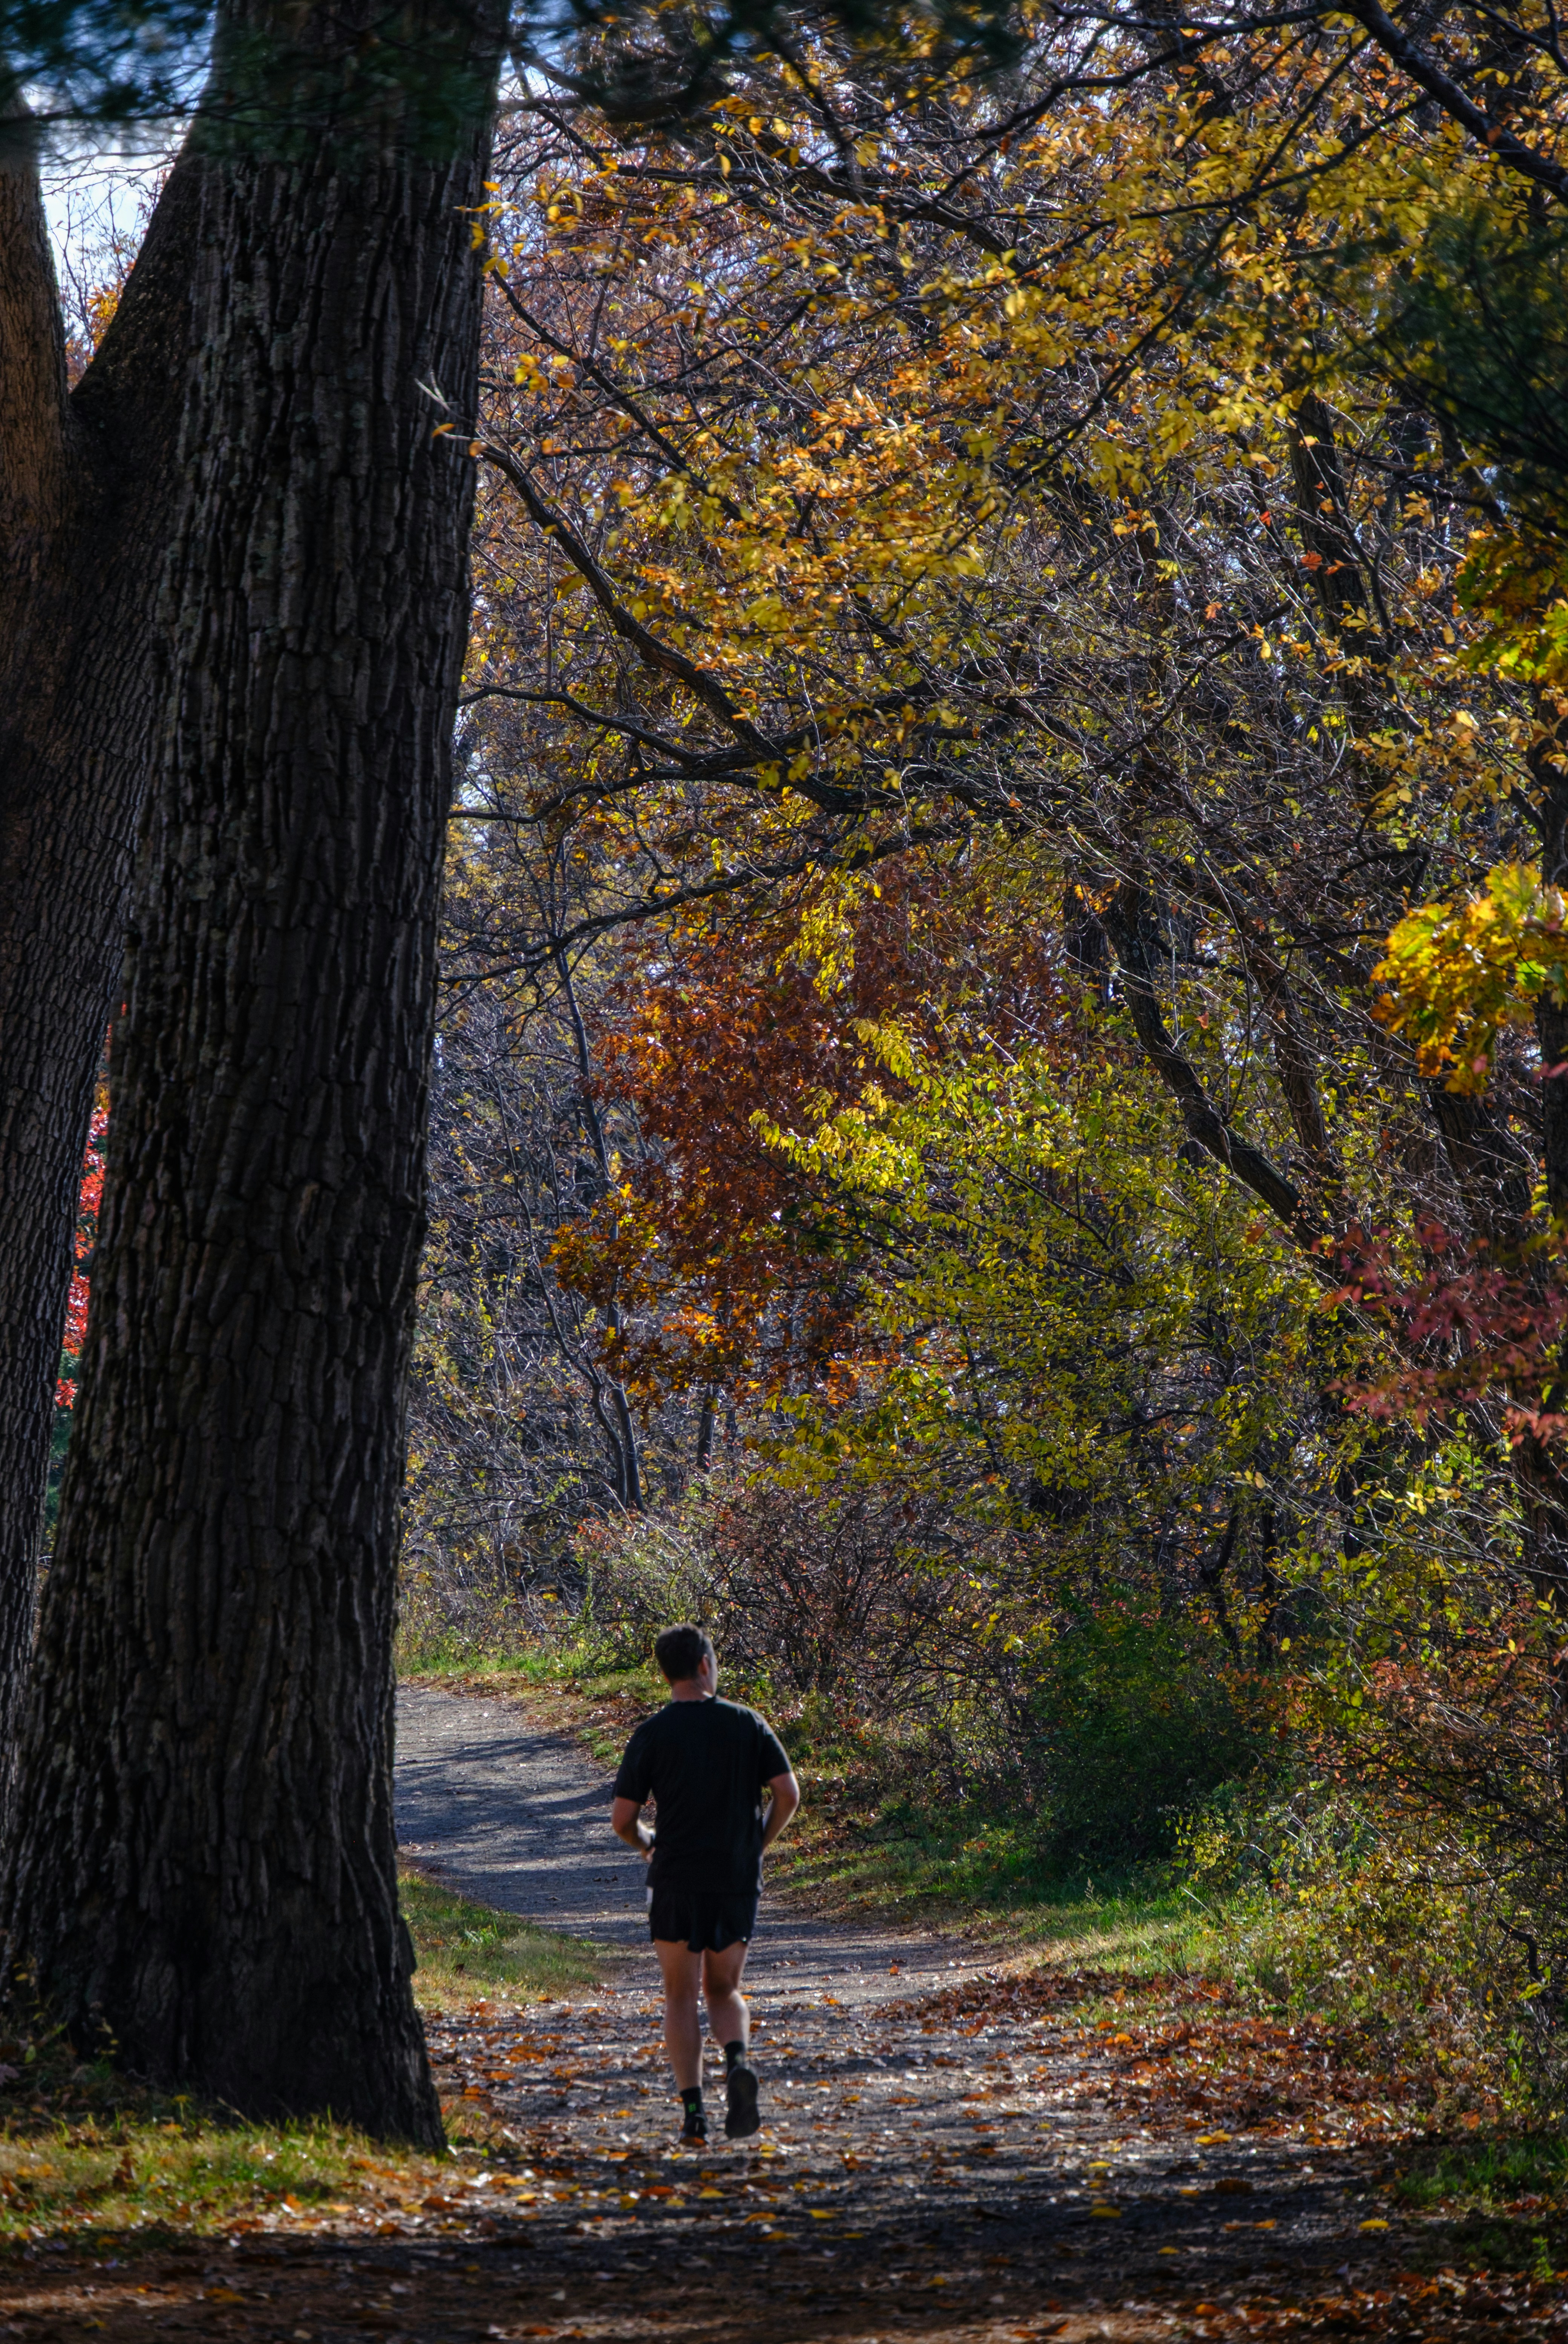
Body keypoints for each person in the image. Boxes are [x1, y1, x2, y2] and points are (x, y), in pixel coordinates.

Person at [611, 1624, 801, 2143]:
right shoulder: (748, 1724)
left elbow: (622, 1820)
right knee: (724, 1988)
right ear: (704, 1666)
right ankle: (737, 2060)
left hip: (675, 1877)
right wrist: (757, 1844)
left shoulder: (652, 1733)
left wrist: (648, 1842)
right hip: (735, 1877)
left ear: (666, 1672)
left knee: (679, 1996)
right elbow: (788, 1793)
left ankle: (694, 2115)